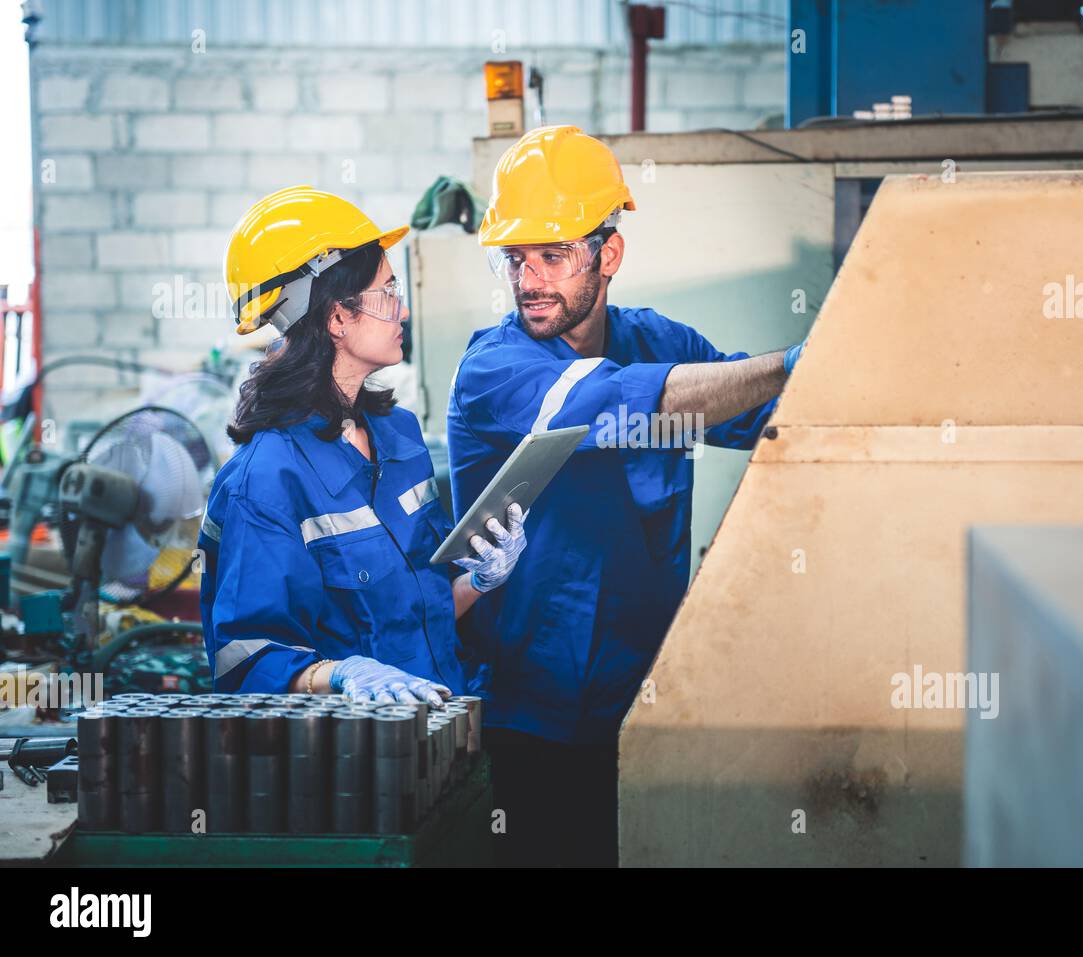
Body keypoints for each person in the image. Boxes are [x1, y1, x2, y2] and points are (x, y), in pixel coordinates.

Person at [448, 126, 805, 864]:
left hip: (643, 709)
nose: (530, 280)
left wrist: (835, 377)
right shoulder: (494, 368)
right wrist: (790, 364)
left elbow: (762, 414)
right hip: (524, 720)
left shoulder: (657, 341)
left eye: (553, 255)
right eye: (516, 257)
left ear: (608, 255)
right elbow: (608, 403)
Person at [198, 186, 527, 704]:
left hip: (446, 728)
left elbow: (423, 608)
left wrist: (480, 581)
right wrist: (341, 673)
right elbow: (244, 663)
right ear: (336, 318)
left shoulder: (400, 437)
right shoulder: (264, 482)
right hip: (352, 765)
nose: (403, 312)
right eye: (389, 293)